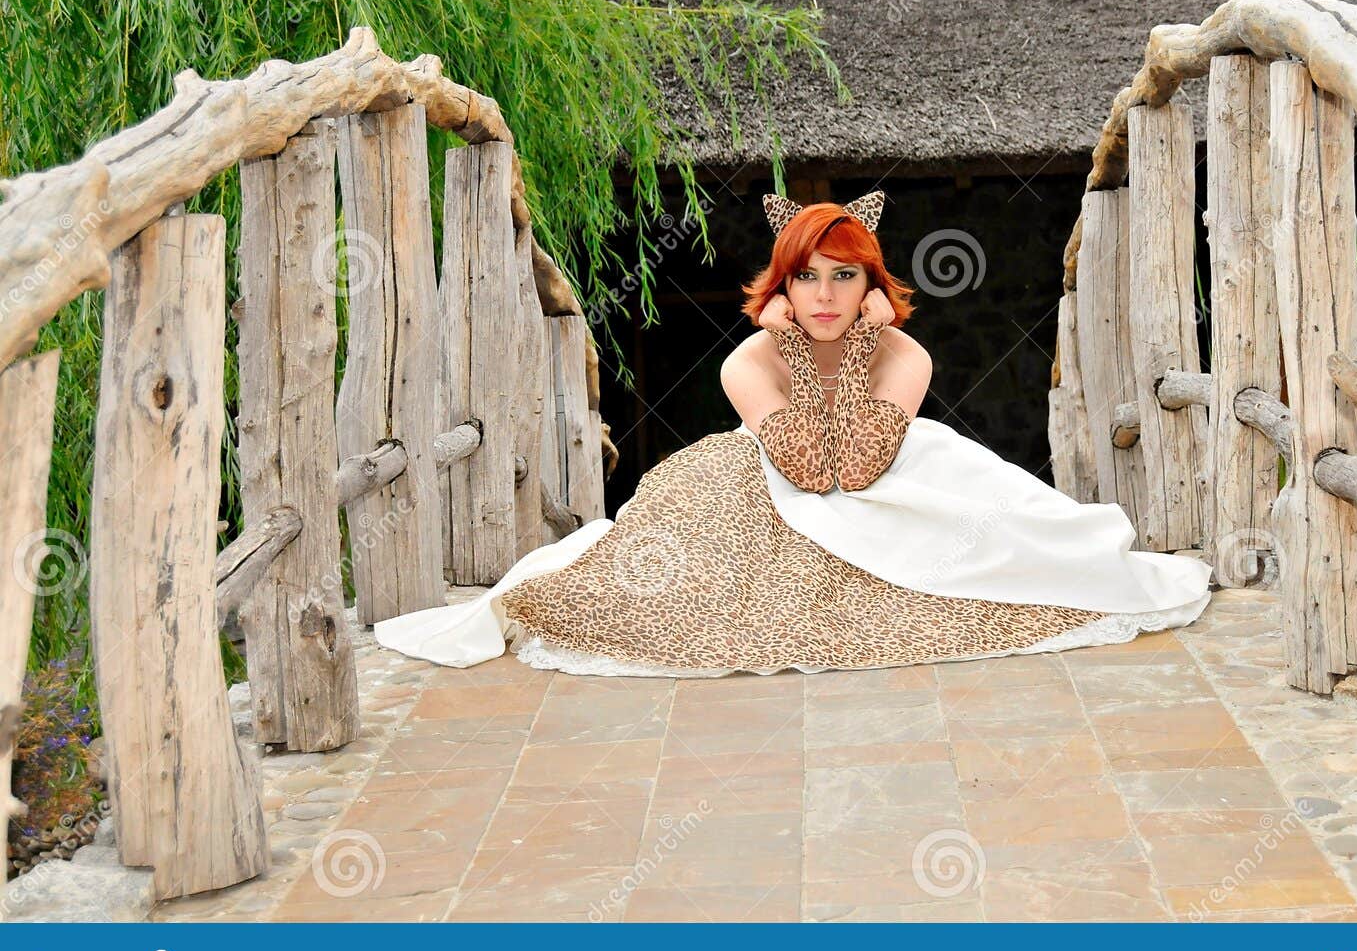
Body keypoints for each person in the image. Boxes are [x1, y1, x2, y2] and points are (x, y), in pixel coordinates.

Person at [372, 189, 1213, 677]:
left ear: (870, 284)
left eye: (844, 278)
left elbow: (862, 464)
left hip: (882, 472)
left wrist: (867, 346)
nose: (823, 295)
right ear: (781, 284)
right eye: (805, 277)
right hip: (766, 485)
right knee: (648, 593)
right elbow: (810, 470)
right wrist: (795, 355)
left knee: (999, 546)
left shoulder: (905, 353)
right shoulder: (748, 362)